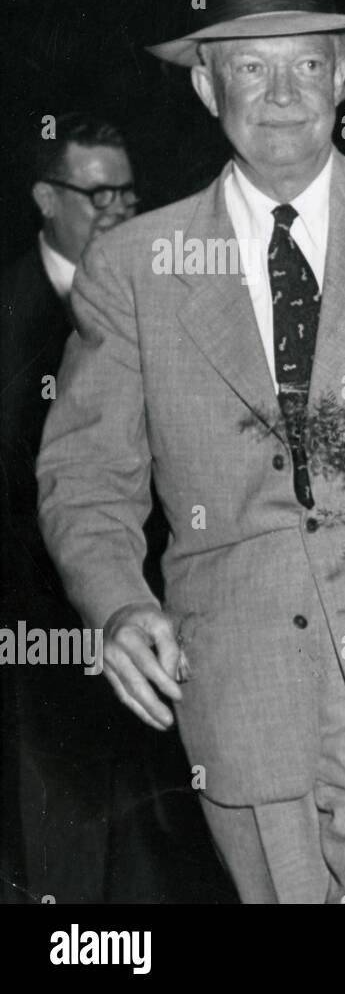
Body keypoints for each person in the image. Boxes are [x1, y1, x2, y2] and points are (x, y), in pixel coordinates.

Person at [36, 0, 345, 904]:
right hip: (241, 700)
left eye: (304, 65)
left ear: (342, 75)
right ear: (204, 86)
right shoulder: (135, 264)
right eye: (249, 68)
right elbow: (86, 472)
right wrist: (116, 600)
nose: (281, 95)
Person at [1, 114, 136, 901]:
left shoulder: (148, 294)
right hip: (36, 636)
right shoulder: (11, 310)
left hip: (142, 616)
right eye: (97, 194)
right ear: (47, 199)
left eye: (127, 191)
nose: (118, 210)